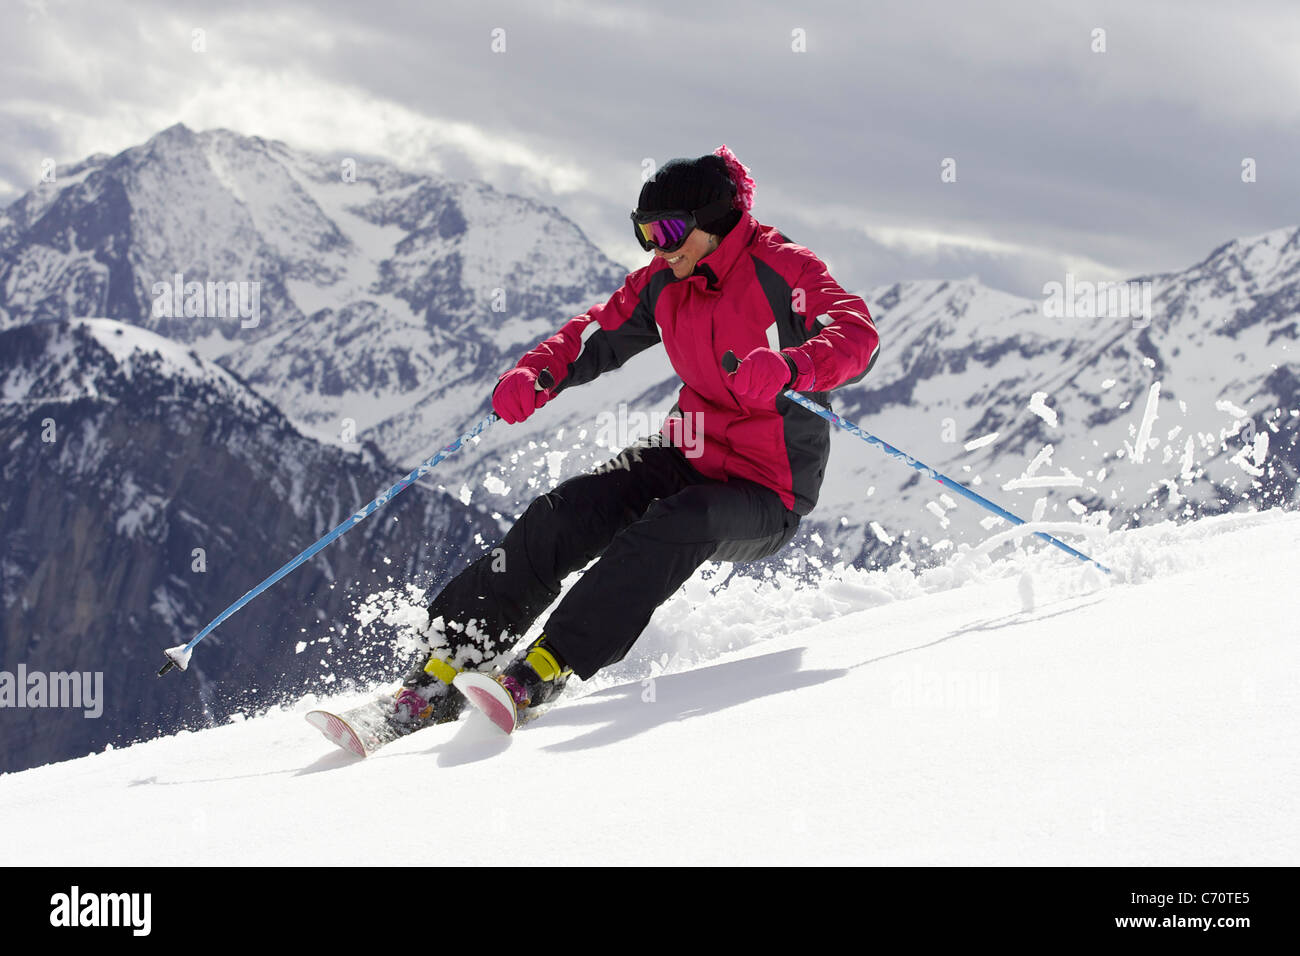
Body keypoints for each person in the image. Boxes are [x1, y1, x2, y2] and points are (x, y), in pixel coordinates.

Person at [389, 145, 880, 729]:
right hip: (686, 450)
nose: (658, 247)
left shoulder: (784, 271)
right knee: (566, 512)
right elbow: (597, 332)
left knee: (676, 523)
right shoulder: (666, 280)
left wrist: (795, 366)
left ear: (715, 219)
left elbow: (857, 334)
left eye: (669, 230)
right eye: (644, 233)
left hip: (767, 491)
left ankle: (547, 667)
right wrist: (538, 373)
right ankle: (447, 663)